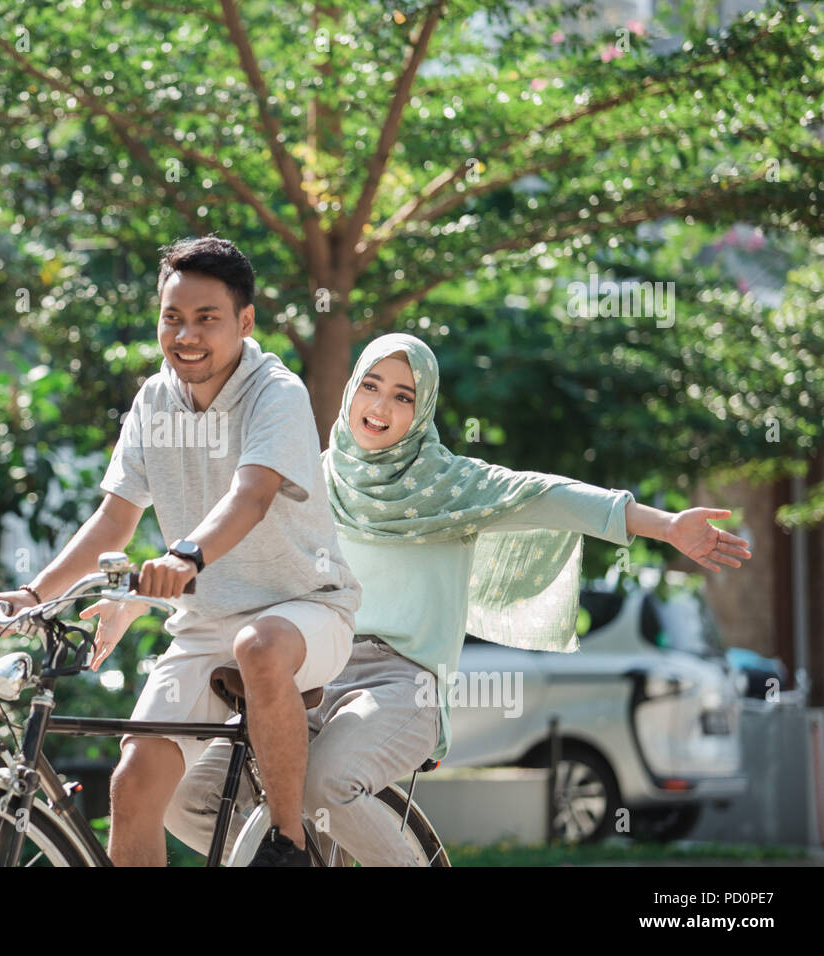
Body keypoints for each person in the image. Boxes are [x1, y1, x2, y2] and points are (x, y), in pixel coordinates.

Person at [164, 331, 752, 865]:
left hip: (402, 685)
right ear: (348, 393)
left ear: (422, 411)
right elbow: (239, 554)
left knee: (325, 785)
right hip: (307, 678)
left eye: (403, 396)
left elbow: (552, 495)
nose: (381, 407)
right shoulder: (310, 482)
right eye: (371, 386)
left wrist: (667, 525)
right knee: (186, 799)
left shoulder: (452, 485)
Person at [0, 236, 362, 866]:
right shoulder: (153, 401)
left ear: (244, 321)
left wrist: (185, 557)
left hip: (308, 610)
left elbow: (252, 495)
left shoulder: (276, 392)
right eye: (172, 317)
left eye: (206, 319)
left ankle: (289, 847)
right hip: (207, 625)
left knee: (259, 645)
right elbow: (114, 521)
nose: (186, 335)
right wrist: (33, 594)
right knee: (132, 786)